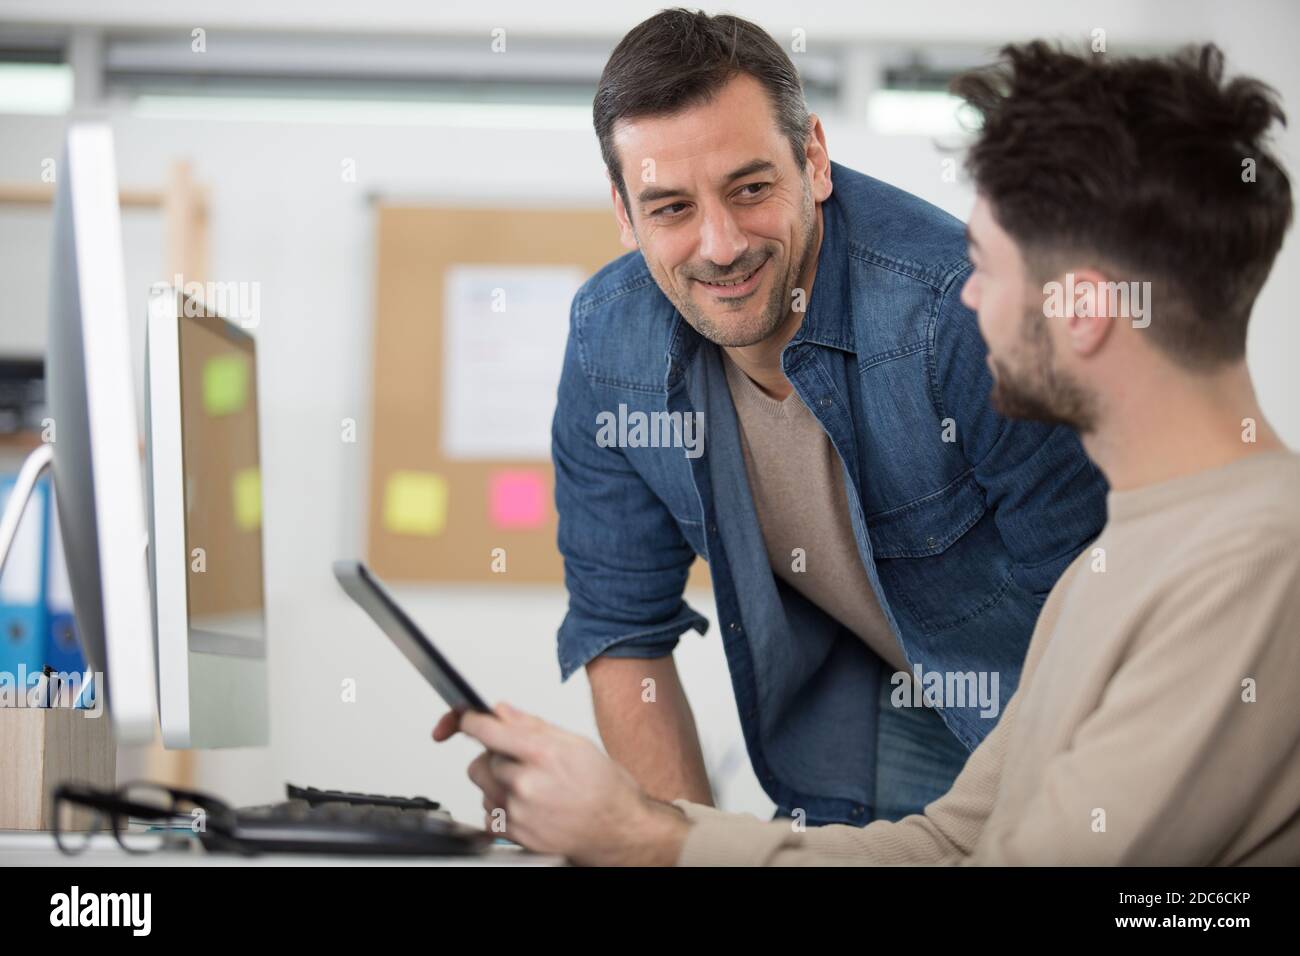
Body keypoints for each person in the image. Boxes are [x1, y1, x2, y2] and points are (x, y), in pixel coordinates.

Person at [438, 39, 1300, 866]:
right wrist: (643, 833)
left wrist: (649, 840)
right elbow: (953, 846)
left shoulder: (1246, 566)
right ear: (624, 211)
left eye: (988, 268)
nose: (964, 293)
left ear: (1081, 311)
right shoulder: (1121, 566)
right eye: (671, 206)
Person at [513, 7, 1106, 827]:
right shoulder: (608, 348)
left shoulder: (956, 319)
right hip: (868, 716)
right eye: (671, 208)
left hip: (1051, 708)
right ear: (623, 212)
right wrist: (671, 852)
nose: (720, 246)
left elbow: (1096, 612)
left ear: (814, 160)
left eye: (750, 189)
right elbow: (621, 629)